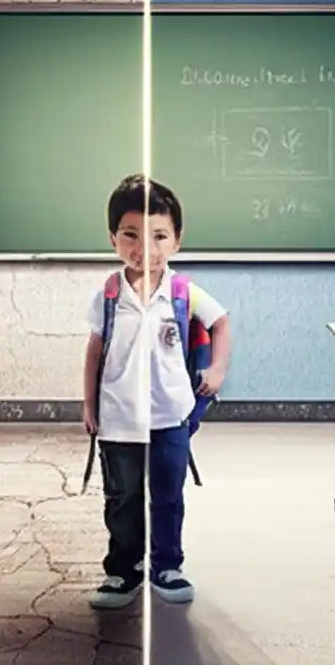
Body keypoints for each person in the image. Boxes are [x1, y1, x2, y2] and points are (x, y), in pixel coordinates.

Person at [82, 173, 232, 610]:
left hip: (171, 416)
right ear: (113, 239)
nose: (143, 248)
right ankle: (122, 572)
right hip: (117, 417)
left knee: (167, 496)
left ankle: (167, 565)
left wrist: (218, 368)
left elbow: (221, 322)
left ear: (177, 242)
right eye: (130, 235)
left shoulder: (184, 291)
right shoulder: (108, 294)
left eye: (158, 236)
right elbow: (94, 349)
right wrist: (89, 404)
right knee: (122, 498)